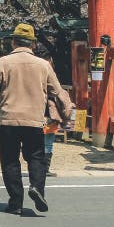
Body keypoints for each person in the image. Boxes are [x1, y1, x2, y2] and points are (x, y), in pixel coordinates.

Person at [0, 23, 63, 215]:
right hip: (34, 119)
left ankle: (15, 202)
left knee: (10, 160)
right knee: (36, 156)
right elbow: (57, 90)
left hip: (9, 119)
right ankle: (36, 187)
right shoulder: (43, 65)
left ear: (13, 42)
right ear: (33, 44)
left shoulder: (3, 63)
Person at [34, 45, 74, 178]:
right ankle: (44, 168)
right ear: (49, 59)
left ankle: (36, 166)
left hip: (34, 112)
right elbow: (57, 91)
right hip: (49, 112)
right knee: (48, 141)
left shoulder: (32, 69)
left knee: (36, 140)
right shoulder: (48, 69)